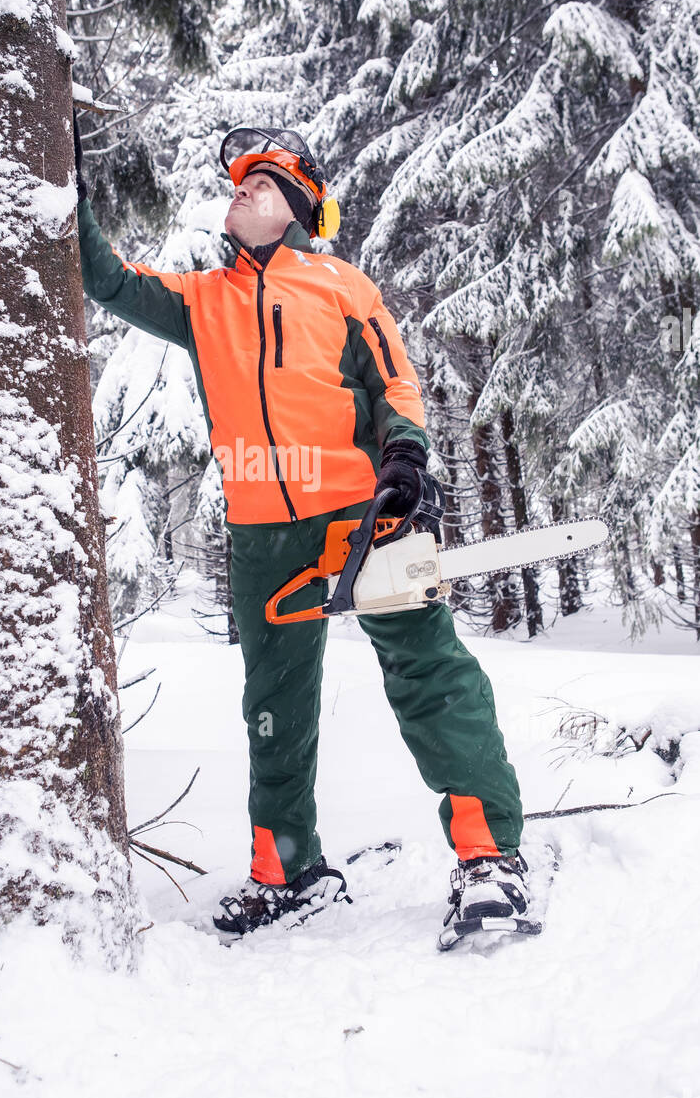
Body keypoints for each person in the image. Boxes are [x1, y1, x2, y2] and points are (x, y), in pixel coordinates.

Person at [74, 119, 532, 945]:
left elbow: (394, 378)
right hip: (260, 532)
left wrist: (406, 458)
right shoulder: (200, 300)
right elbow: (105, 280)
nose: (240, 193)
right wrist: (66, 189)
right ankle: (288, 871)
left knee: (430, 676)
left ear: (298, 207)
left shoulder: (341, 287)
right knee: (274, 706)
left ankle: (491, 859)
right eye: (237, 184)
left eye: (260, 185)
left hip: (366, 513)